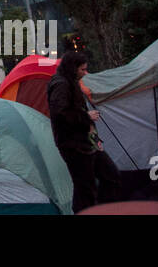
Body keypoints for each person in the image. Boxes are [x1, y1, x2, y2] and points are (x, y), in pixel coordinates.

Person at [47, 51, 119, 212]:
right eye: (83, 70)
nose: (85, 73)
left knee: (110, 175)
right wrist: (85, 116)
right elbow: (60, 112)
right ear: (73, 68)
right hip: (73, 144)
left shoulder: (69, 82)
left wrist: (94, 137)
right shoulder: (61, 84)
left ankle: (103, 210)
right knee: (85, 187)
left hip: (86, 140)